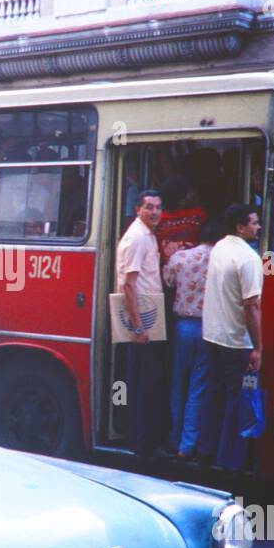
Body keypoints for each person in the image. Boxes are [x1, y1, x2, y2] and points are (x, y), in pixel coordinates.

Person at [199, 203, 264, 471]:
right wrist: (258, 347)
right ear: (240, 226)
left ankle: (206, 451)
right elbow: (252, 306)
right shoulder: (249, 259)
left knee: (212, 395)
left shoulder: (220, 248)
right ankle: (229, 461)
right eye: (254, 222)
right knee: (236, 400)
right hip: (237, 340)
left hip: (212, 334)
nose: (258, 227)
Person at [163, 220, 221, 460]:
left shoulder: (181, 257)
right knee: (199, 387)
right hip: (208, 327)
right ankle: (188, 445)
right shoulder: (221, 261)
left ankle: (174, 438)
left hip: (182, 327)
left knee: (178, 383)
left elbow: (167, 281)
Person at [116, 189, 165, 459]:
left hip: (148, 317)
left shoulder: (148, 235)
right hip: (142, 321)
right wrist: (138, 327)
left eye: (158, 207)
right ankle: (140, 443)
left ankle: (140, 439)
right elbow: (129, 285)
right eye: (149, 207)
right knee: (142, 384)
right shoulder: (137, 238)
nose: (154, 212)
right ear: (138, 209)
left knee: (144, 382)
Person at [156, 175, 208, 261]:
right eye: (189, 193)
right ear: (182, 200)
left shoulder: (157, 219)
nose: (191, 195)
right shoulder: (198, 215)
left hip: (165, 270)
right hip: (192, 270)